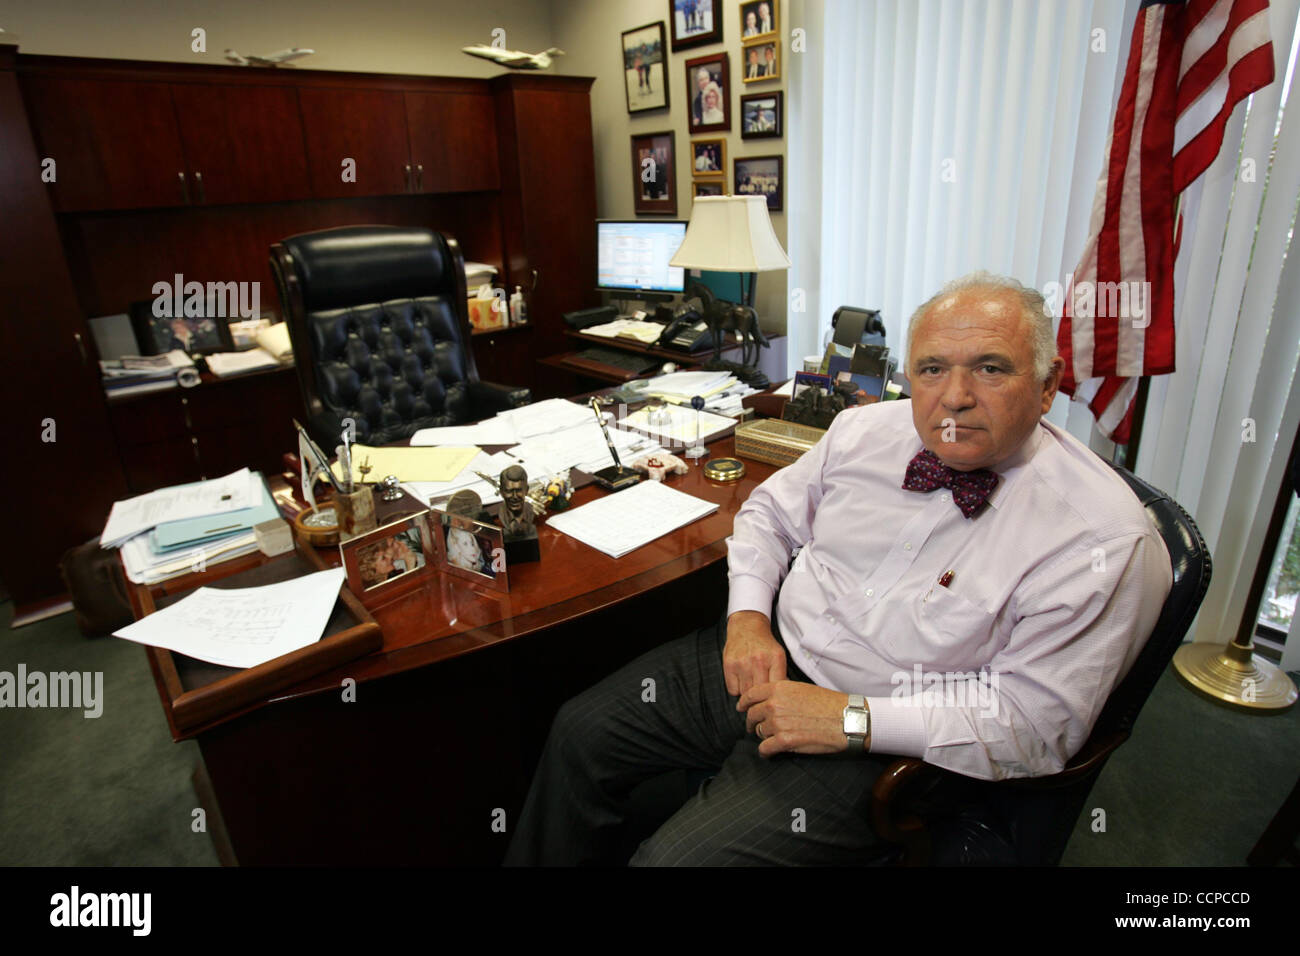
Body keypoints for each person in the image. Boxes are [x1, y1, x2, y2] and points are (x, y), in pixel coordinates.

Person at [504, 272, 1172, 866]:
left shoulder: (1102, 541)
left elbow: (1033, 724)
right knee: (579, 734)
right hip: (760, 656)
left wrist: (849, 719)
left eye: (991, 369)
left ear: (1050, 384)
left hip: (884, 730)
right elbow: (768, 516)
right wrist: (745, 622)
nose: (956, 397)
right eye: (933, 369)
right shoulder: (863, 433)